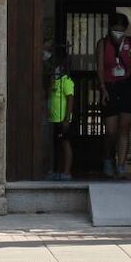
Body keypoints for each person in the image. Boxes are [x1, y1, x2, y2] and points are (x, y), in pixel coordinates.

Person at [96, 12, 131, 178]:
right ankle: (107, 158)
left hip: (127, 86)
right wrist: (103, 88)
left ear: (125, 30)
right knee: (111, 130)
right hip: (110, 87)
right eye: (115, 29)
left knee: (124, 129)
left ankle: (121, 166)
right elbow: (100, 68)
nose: (118, 33)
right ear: (110, 29)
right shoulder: (103, 44)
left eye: (121, 30)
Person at [46, 42, 75, 182]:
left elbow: (70, 99)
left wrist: (66, 118)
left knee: (65, 144)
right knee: (53, 146)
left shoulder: (66, 81)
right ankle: (53, 170)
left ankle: (66, 171)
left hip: (62, 119)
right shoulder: (53, 80)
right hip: (52, 119)